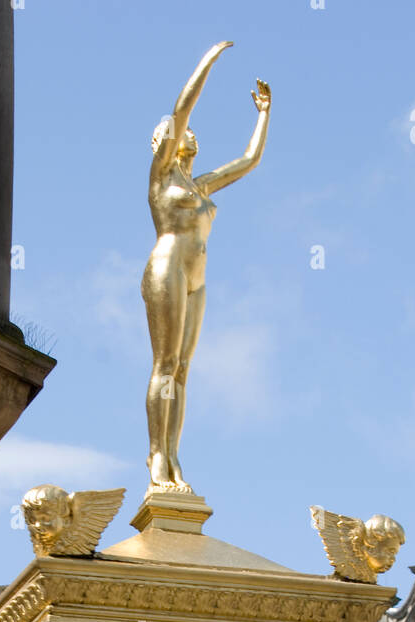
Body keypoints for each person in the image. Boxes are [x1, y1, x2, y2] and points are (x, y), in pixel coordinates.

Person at [142, 42, 271, 491]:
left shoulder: (202, 185)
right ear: (166, 142)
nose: (190, 133)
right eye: (180, 132)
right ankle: (156, 456)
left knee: (182, 369)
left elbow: (250, 161)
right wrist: (207, 64)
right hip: (168, 266)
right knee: (164, 362)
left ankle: (174, 455)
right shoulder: (162, 175)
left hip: (197, 278)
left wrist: (263, 114)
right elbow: (182, 107)